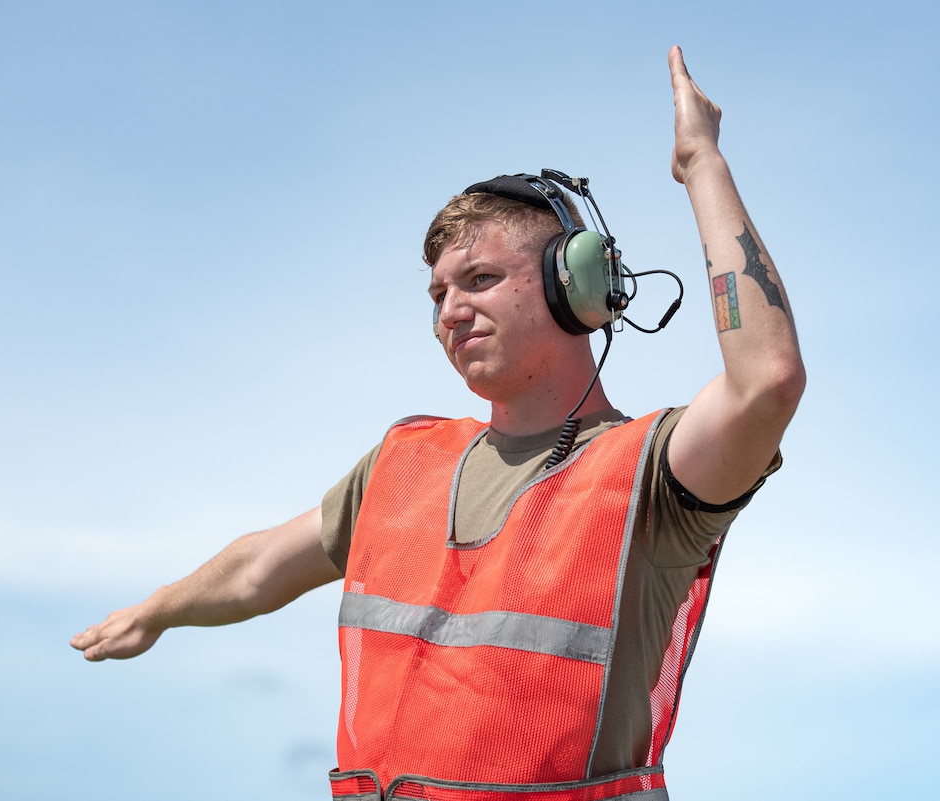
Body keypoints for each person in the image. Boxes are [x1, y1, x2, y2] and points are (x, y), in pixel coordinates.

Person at [70, 45, 805, 800]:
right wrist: (156, 610)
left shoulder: (653, 470)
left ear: (577, 287)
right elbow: (260, 567)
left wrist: (701, 163)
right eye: (437, 293)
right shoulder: (404, 463)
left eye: (481, 280)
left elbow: (767, 379)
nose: (450, 311)